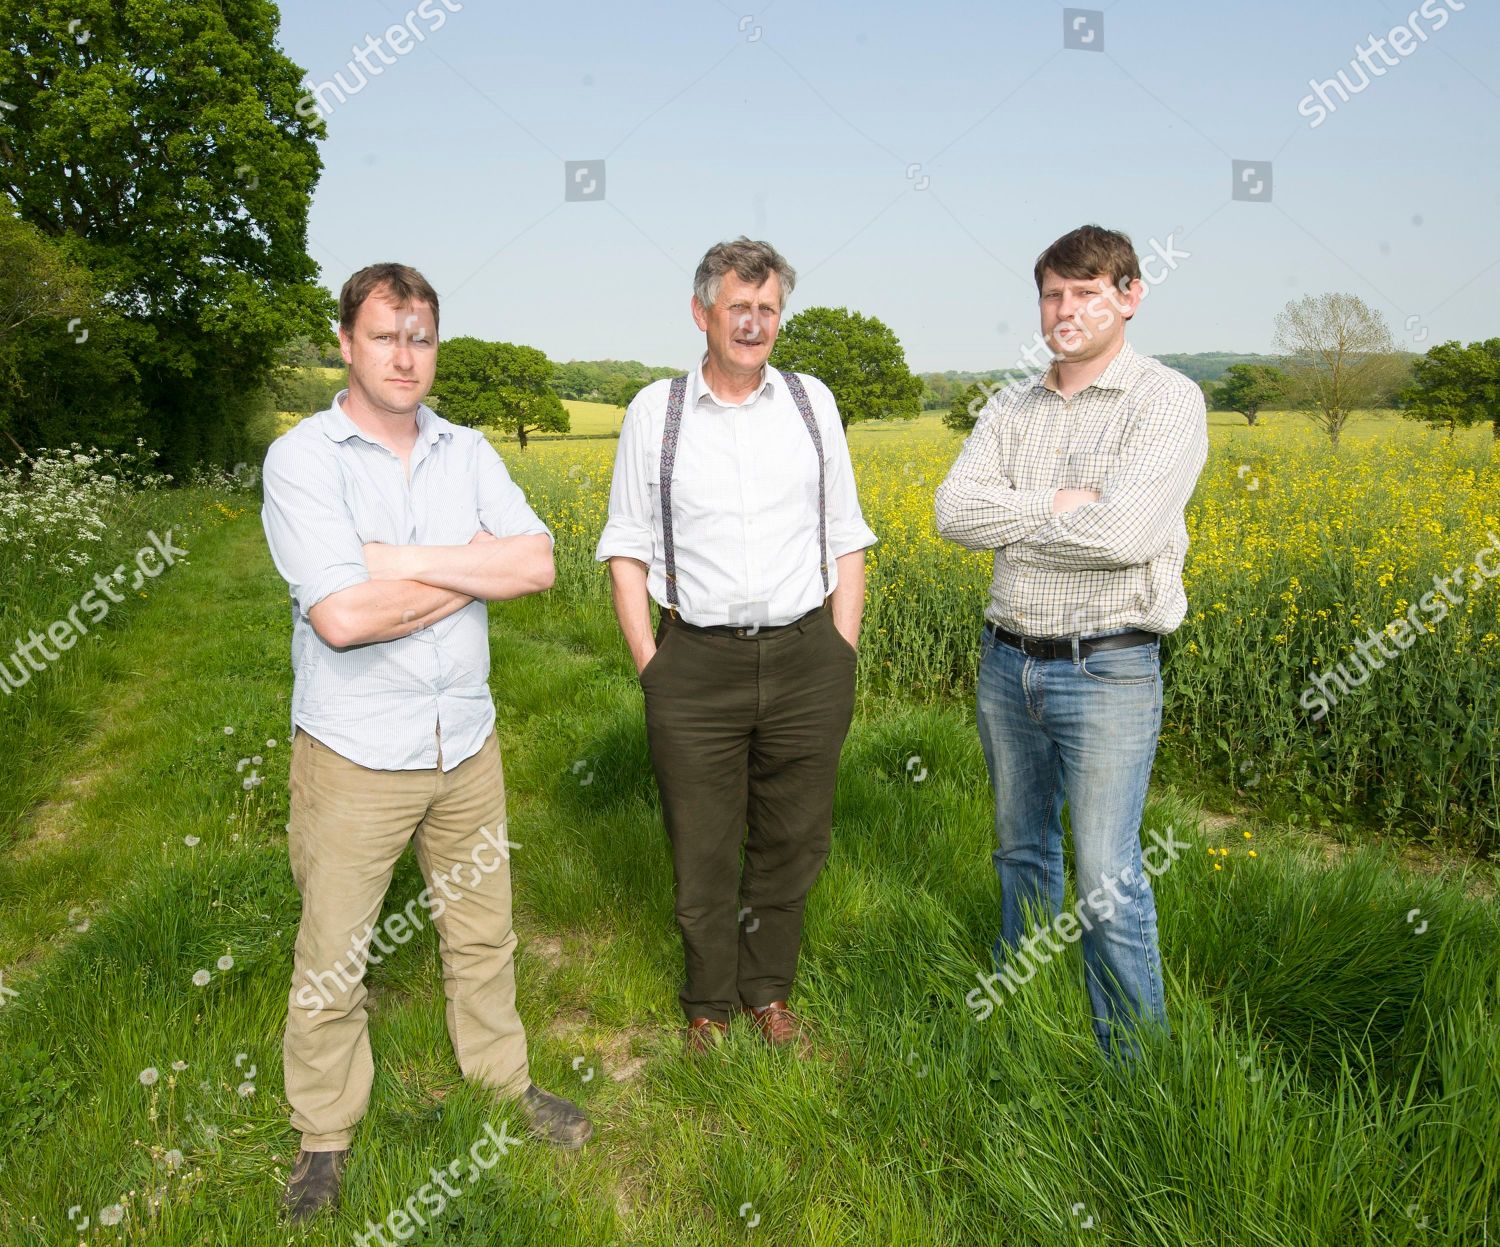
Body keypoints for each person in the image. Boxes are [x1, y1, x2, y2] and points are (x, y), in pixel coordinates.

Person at [261, 262, 591, 1220]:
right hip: (355, 752)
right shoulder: (303, 459)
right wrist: (470, 571)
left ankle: (502, 1080)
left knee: (483, 932)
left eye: (421, 337)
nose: (405, 357)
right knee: (334, 955)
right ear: (346, 343)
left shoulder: (467, 451)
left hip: (465, 742)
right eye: (384, 336)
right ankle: (323, 1135)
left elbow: (537, 563)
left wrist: (397, 563)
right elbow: (342, 619)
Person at [597, 237, 876, 1057]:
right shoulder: (656, 412)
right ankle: (708, 1005)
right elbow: (626, 547)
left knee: (795, 837)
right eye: (738, 307)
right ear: (702, 313)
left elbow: (846, 535)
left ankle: (768, 992)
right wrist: (653, 667)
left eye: (768, 308)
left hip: (807, 656)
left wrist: (841, 652)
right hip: (696, 660)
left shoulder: (811, 402)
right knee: (704, 840)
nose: (754, 323)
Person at [934, 225, 1207, 1057]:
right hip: (1006, 660)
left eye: (1087, 292)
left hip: (1108, 666)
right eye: (1053, 293)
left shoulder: (1165, 400)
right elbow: (953, 512)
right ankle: (1018, 1005)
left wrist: (1016, 519)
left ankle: (1134, 1062)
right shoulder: (1011, 406)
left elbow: (1126, 533)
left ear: (1130, 296)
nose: (1066, 308)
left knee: (1106, 872)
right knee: (1020, 848)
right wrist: (1062, 504)